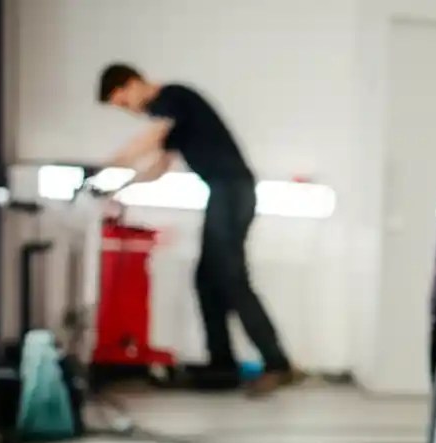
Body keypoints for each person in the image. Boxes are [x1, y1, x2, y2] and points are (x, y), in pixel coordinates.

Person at [98, 63, 300, 396]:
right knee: (206, 279)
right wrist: (118, 186)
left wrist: (108, 163)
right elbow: (161, 165)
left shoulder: (172, 97)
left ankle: (278, 363)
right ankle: (221, 368)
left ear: (132, 84)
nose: (130, 111)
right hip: (223, 192)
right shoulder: (172, 115)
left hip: (231, 191)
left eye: (124, 102)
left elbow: (152, 138)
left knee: (232, 278)